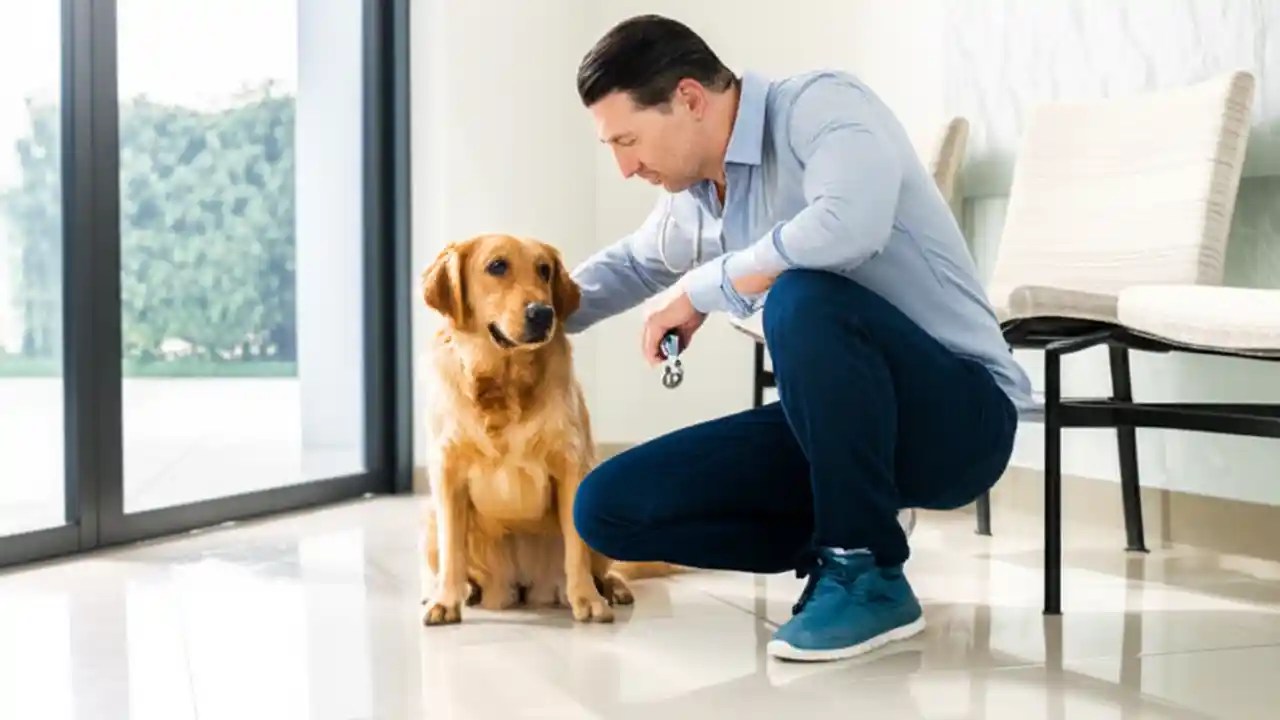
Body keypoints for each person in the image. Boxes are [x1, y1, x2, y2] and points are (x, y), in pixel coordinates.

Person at [564, 14, 1032, 662]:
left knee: (803, 294)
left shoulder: (818, 106)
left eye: (628, 139)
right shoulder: (695, 198)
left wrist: (702, 289)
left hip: (959, 419)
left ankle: (865, 571)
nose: (623, 166)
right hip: (839, 427)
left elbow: (847, 226)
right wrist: (523, 314)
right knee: (606, 509)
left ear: (689, 99)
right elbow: (632, 266)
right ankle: (849, 527)